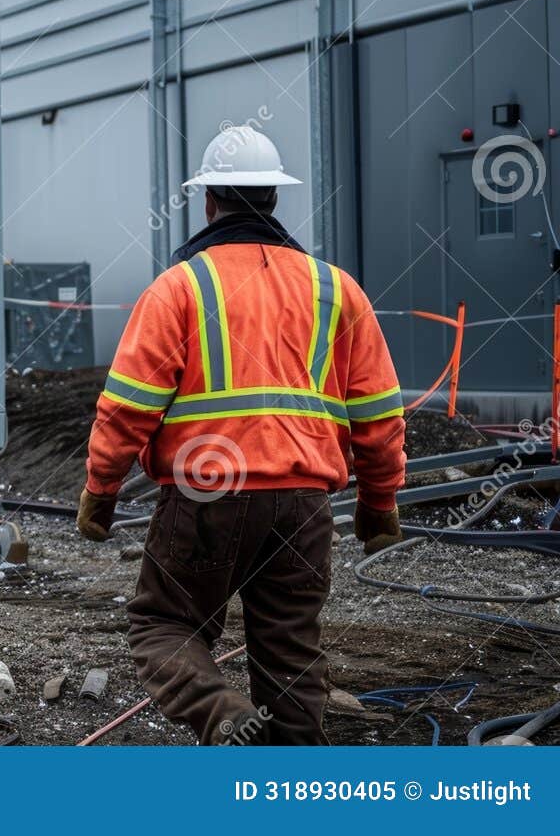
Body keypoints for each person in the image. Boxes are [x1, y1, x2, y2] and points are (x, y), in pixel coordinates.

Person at [77, 125, 407, 745]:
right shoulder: (337, 291)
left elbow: (126, 409)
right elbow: (381, 417)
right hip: (305, 504)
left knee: (164, 626)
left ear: (209, 201)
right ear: (275, 200)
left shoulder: (179, 287)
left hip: (206, 495)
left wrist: (102, 491)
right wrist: (379, 503)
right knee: (290, 655)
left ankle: (224, 717)